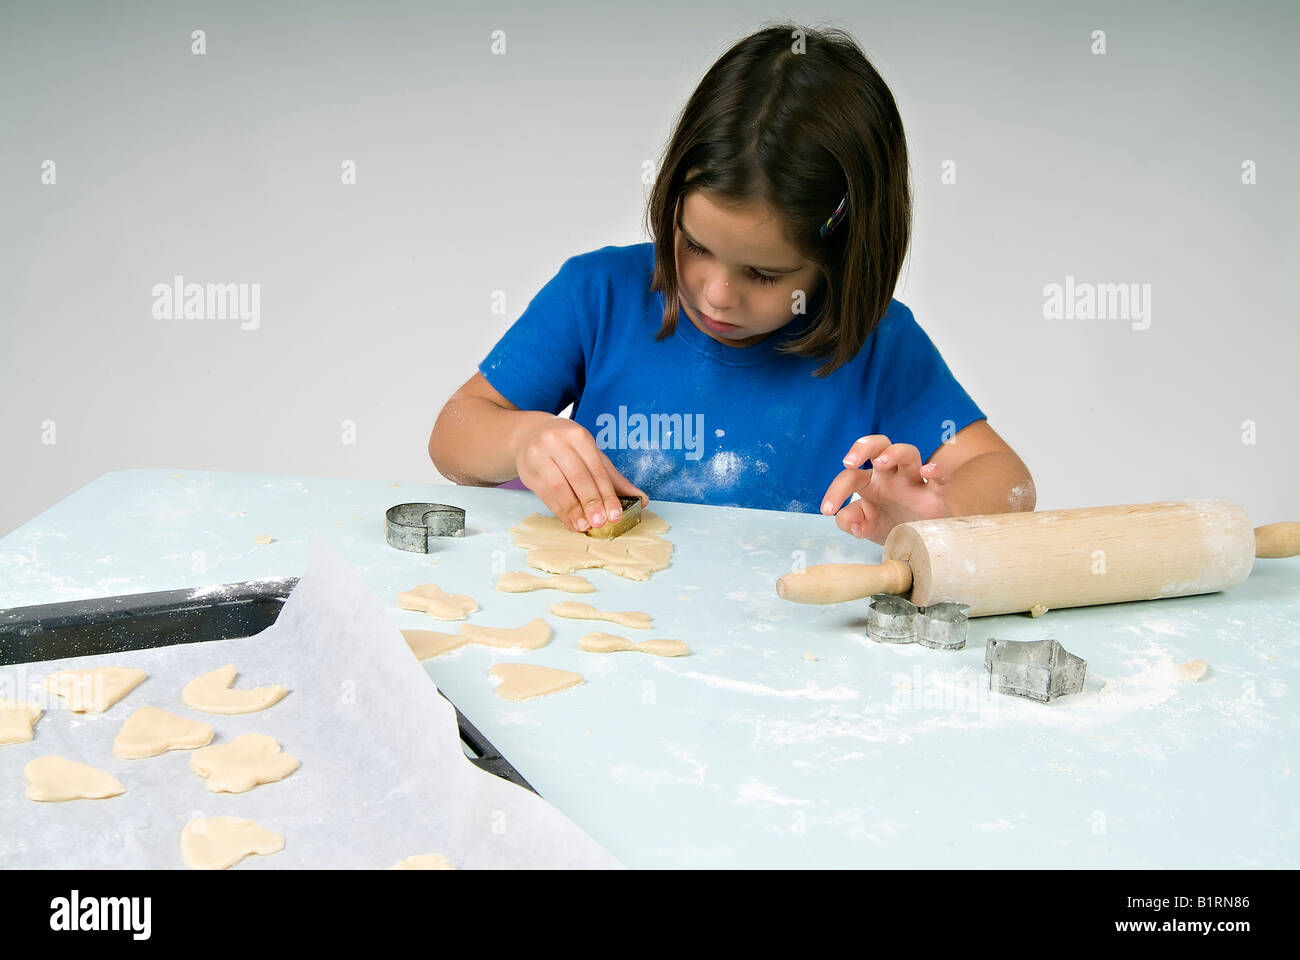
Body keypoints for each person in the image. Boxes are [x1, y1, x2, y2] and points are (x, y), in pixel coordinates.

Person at [430, 23, 1035, 544]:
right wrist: (521, 438)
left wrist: (937, 508)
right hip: (604, 636)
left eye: (765, 274)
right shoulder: (599, 296)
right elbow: (453, 436)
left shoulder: (876, 345)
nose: (716, 292)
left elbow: (1008, 480)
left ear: (844, 259)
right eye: (695, 244)